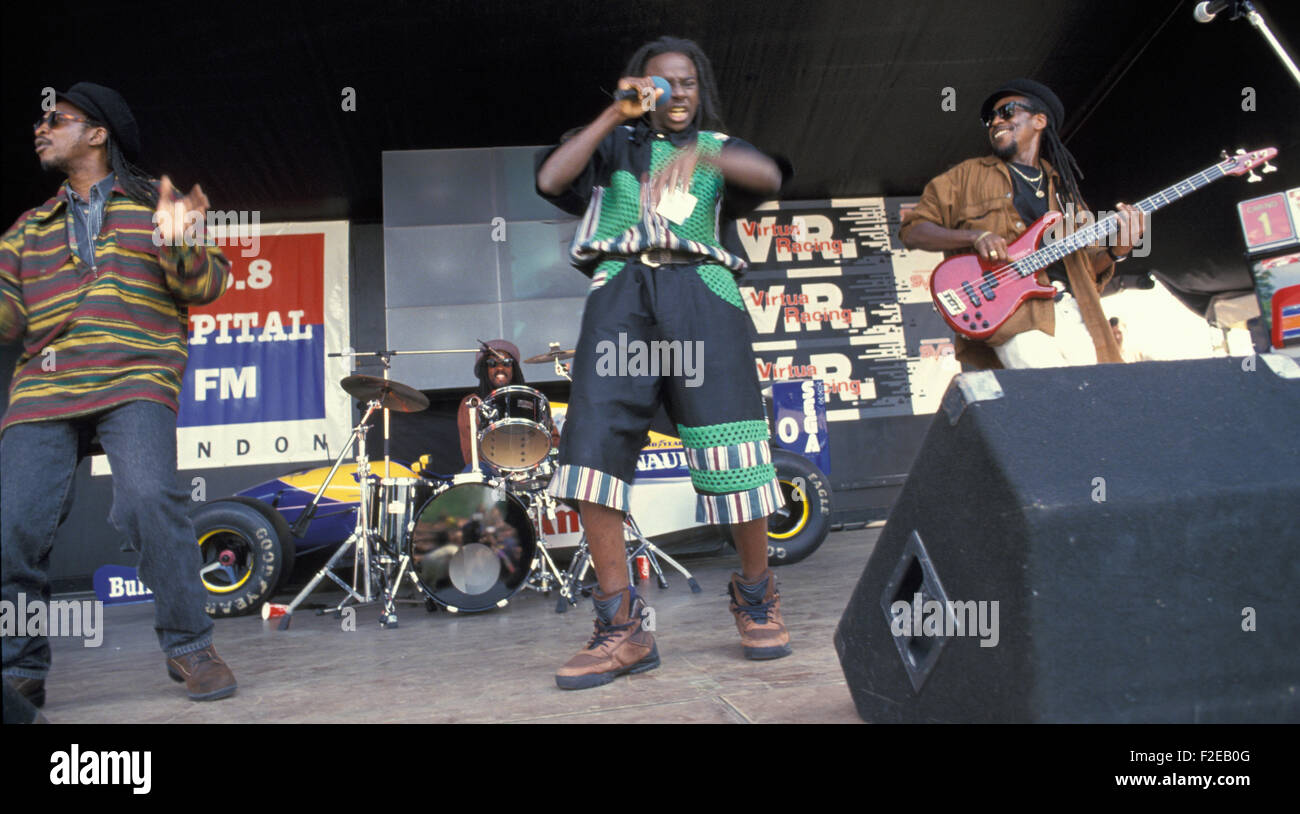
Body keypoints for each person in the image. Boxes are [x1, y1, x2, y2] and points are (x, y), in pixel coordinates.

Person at [536, 36, 793, 690]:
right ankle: (622, 627)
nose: (675, 94)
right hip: (621, 291)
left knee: (732, 445)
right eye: (660, 84)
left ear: (699, 92)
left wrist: (703, 147)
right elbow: (551, 178)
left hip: (701, 292)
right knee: (593, 446)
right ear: (640, 89)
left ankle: (757, 595)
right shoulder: (614, 145)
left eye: (687, 84)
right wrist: (613, 114)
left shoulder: (719, 149)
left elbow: (770, 177)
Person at [0, 83, 236, 707]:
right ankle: (19, 666)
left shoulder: (148, 211)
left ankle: (190, 648)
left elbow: (208, 284)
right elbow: (8, 322)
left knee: (148, 500)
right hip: (44, 388)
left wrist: (180, 238)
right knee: (14, 527)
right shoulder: (26, 231)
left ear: (98, 133)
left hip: (135, 375)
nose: (40, 128)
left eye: (57, 119)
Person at [900, 78, 1145, 369]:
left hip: (1071, 311)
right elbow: (913, 230)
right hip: (1013, 317)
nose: (994, 121)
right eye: (989, 118)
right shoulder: (966, 176)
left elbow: (1086, 270)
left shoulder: (1064, 187)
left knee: (1099, 402)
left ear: (1039, 120)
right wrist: (975, 236)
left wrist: (1118, 250)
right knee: (1054, 397)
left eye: (1007, 112)